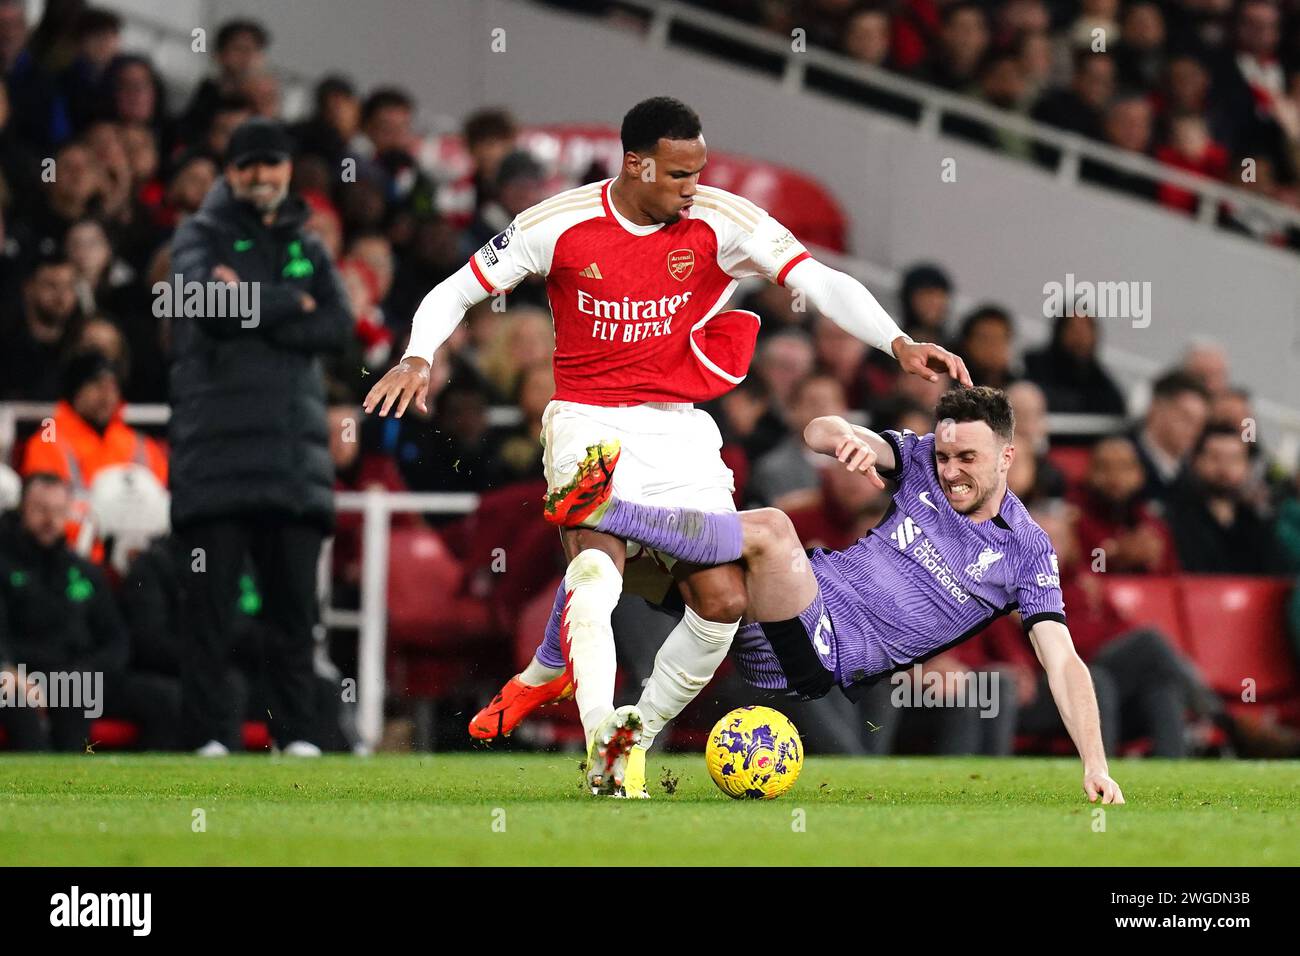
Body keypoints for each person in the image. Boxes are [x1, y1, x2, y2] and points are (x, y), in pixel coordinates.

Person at [365, 96, 971, 795]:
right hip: (588, 419)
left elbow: (819, 280)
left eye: (699, 170)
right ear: (636, 163)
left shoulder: (721, 219)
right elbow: (455, 290)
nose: (694, 186)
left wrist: (895, 341)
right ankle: (600, 739)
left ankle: (634, 734)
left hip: (679, 429)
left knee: (720, 602)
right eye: (679, 173)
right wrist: (416, 355)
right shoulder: (558, 225)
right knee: (597, 573)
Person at [502, 387, 1125, 804]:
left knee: (771, 528)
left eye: (968, 458)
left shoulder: (1026, 551)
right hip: (779, 602)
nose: (951, 470)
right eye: (944, 455)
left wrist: (1094, 762)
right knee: (612, 564)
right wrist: (845, 435)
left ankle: (612, 504)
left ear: (1008, 456)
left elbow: (1063, 660)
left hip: (821, 651)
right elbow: (816, 429)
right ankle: (576, 699)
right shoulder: (916, 464)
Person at [168, 117, 352, 755]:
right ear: (230, 172)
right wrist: (288, 303)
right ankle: (207, 738)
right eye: (248, 165)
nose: (260, 175)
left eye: (271, 164)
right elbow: (201, 305)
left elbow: (336, 325)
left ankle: (296, 735)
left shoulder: (310, 242)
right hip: (215, 454)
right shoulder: (199, 233)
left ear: (287, 169)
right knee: (211, 612)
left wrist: (250, 299)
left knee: (294, 613)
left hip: (292, 459)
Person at [0, 473, 180, 750]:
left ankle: (149, 786)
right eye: (40, 510)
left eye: (58, 511)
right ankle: (45, 785)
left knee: (165, 699)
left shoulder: (84, 570)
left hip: (82, 675)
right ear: (22, 510)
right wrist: (7, 668)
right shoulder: (5, 566)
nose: (50, 520)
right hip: (22, 676)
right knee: (33, 702)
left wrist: (90, 671)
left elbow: (117, 639)